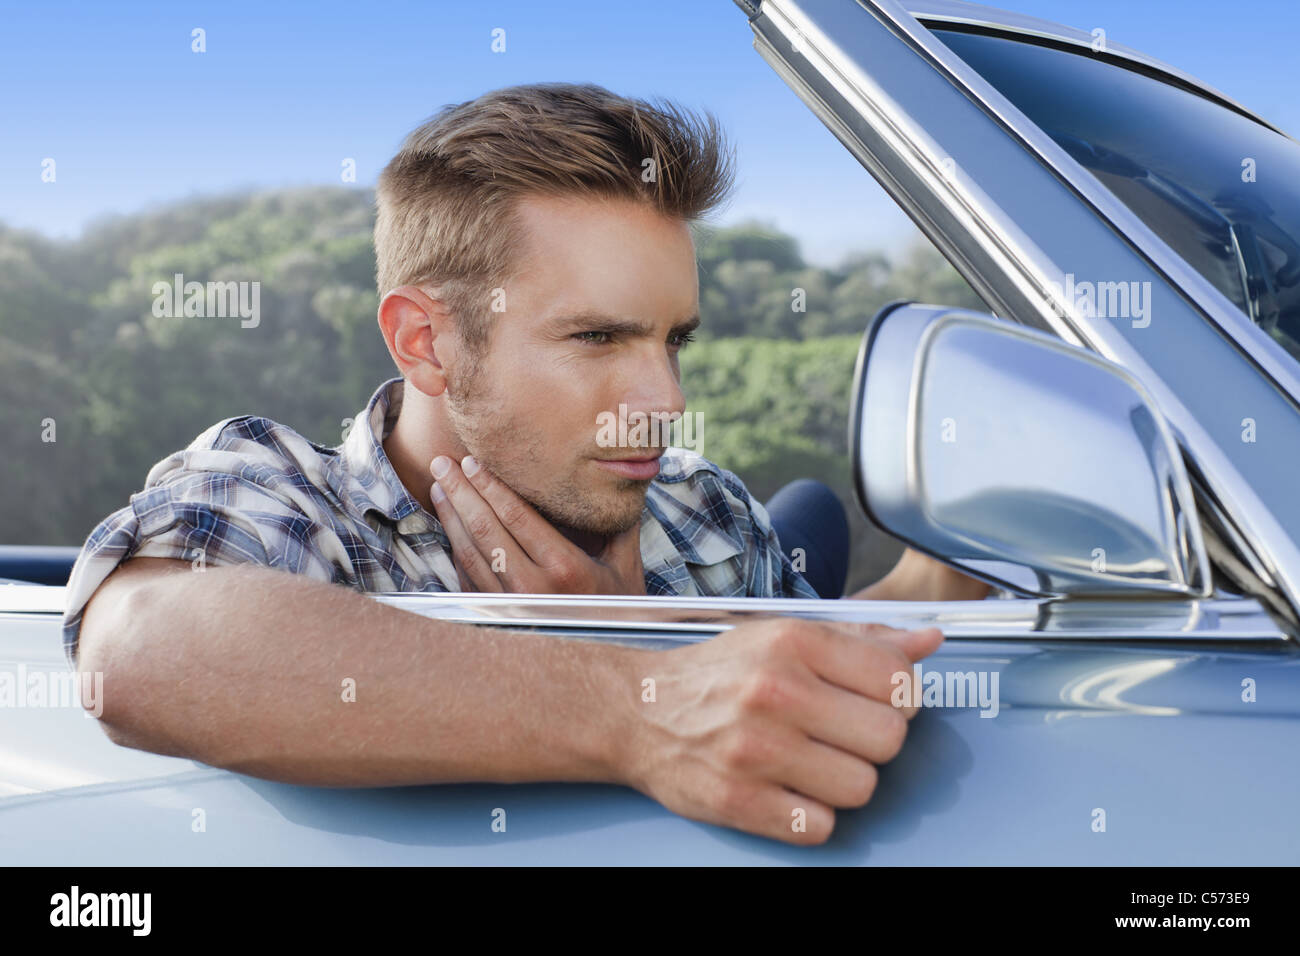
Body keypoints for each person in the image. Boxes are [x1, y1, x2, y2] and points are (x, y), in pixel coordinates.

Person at [66, 83, 985, 845]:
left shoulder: (701, 508)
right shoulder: (298, 497)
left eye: (674, 341)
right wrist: (638, 702)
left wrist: (942, 566)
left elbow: (807, 687)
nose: (663, 403)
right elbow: (140, 649)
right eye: (597, 337)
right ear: (425, 342)